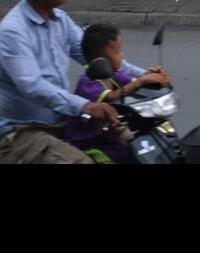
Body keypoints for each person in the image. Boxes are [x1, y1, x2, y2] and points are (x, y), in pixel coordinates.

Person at [0, 0, 145, 164]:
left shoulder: (59, 20)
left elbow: (97, 57)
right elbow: (33, 86)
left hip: (60, 123)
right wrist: (84, 106)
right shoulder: (13, 32)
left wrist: (144, 75)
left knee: (135, 143)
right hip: (18, 135)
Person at [63, 24, 171, 163]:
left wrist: (153, 77)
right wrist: (139, 82)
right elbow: (112, 96)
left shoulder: (114, 75)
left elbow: (135, 82)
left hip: (108, 136)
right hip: (87, 143)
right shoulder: (87, 82)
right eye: (117, 52)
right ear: (101, 60)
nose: (122, 55)